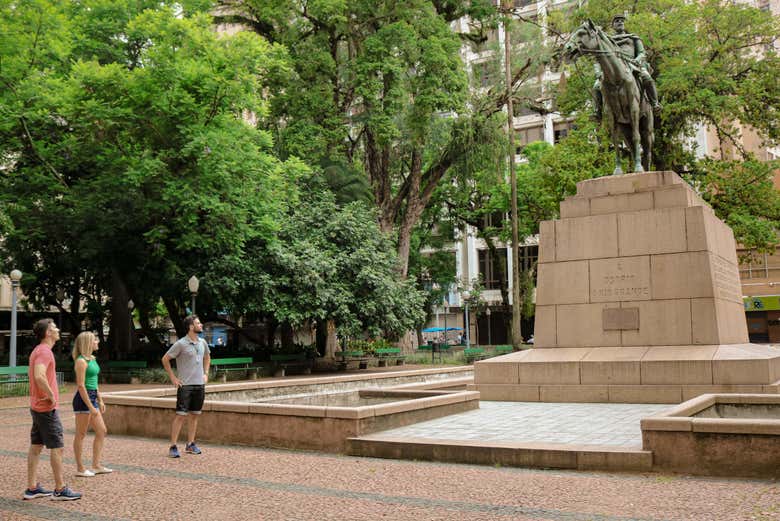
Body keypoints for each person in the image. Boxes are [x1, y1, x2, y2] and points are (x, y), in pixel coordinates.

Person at [24, 319, 82, 501]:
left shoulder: (37, 351)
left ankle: (32, 488)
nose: (57, 329)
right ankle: (60, 489)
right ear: (48, 332)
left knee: (36, 447)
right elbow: (39, 376)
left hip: (37, 407)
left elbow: (34, 376)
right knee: (57, 448)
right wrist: (51, 395)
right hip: (46, 409)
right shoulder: (44, 352)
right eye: (54, 327)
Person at [593, 14, 662, 121]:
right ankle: (597, 112)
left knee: (647, 77)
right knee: (597, 85)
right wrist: (598, 71)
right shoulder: (608, 41)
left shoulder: (633, 38)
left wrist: (637, 60)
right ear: (613, 26)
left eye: (621, 20)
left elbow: (642, 53)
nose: (620, 22)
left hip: (633, 65)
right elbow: (599, 58)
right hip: (614, 68)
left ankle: (655, 104)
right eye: (617, 21)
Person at [162, 315, 210, 458]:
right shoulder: (181, 344)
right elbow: (165, 359)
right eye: (198, 323)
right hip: (185, 386)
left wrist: (206, 373)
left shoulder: (203, 342)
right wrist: (173, 378)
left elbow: (207, 357)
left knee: (195, 415)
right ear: (191, 327)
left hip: (199, 385)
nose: (201, 325)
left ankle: (190, 444)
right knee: (180, 416)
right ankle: (173, 446)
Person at [71, 331, 112, 477]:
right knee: (81, 434)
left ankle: (96, 465)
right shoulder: (81, 361)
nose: (98, 342)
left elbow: (94, 382)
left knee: (102, 430)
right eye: (95, 340)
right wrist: (90, 406)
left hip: (93, 397)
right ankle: (80, 468)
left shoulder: (92, 359)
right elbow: (81, 386)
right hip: (83, 399)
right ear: (88, 342)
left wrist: (100, 400)